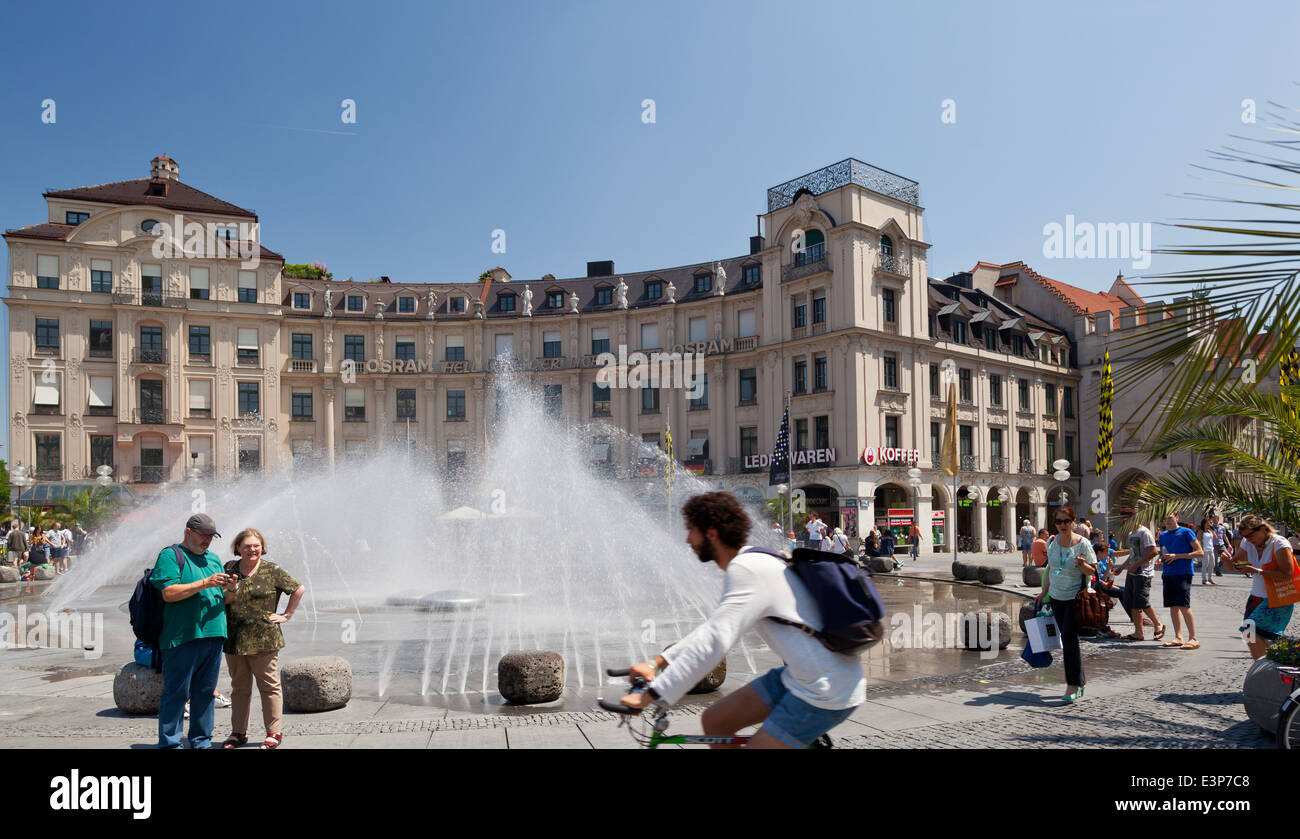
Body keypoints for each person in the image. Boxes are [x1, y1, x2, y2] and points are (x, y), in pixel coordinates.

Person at [617, 491, 865, 748]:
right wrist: (657, 663)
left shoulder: (747, 569)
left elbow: (714, 643)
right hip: (802, 675)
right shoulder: (754, 560)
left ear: (711, 533)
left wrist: (652, 695)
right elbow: (713, 629)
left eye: (691, 530)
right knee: (715, 721)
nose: (687, 539)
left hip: (825, 688)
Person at [151, 513, 236, 749]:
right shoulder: (171, 555)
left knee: (206, 692)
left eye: (211, 536)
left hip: (213, 634)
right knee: (177, 694)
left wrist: (232, 588)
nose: (208, 541)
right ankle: (170, 744)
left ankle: (201, 741)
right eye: (204, 536)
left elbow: (226, 600)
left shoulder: (214, 559)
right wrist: (205, 583)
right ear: (189, 532)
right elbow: (169, 593)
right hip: (182, 637)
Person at [220, 528, 305, 750]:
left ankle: (274, 732)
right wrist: (231, 589)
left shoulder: (271, 570)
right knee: (239, 687)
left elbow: (298, 588)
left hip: (264, 639)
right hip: (234, 639)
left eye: (256, 546)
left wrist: (287, 615)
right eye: (247, 546)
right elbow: (224, 601)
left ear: (262, 548)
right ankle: (238, 732)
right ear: (238, 548)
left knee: (269, 687)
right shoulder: (229, 568)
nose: (252, 549)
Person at [1034, 506, 1095, 703]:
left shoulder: (1083, 544)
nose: (1062, 525)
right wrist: (1044, 593)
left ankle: (1073, 685)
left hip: (1074, 598)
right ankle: (1080, 680)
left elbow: (1092, 571)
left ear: (1073, 522)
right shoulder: (1052, 541)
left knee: (1069, 638)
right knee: (1067, 639)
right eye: (1058, 521)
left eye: (1066, 521)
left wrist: (1082, 565)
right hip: (1056, 596)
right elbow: (1051, 568)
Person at [1230, 514, 1299, 660]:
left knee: (1250, 632)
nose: (1248, 540)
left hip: (1277, 599)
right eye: (1244, 536)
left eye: (1250, 535)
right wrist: (1228, 561)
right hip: (1256, 596)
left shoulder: (1279, 543)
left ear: (1262, 529)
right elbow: (1233, 565)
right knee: (1252, 637)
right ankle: (1268, 670)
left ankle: (1262, 669)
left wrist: (1258, 571)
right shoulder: (1248, 542)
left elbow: (1287, 574)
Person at [1156, 514, 1203, 650]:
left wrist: (1177, 556)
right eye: (1165, 519)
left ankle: (1193, 638)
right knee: (1173, 606)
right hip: (1168, 573)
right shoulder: (1163, 535)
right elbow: (1165, 552)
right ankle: (1178, 637)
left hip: (1183, 572)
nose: (1168, 521)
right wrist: (1161, 559)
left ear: (1176, 518)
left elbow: (1200, 552)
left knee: (1183, 605)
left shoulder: (1186, 532)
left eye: (1170, 518)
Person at [1112, 522, 1165, 642]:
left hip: (1143, 573)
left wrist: (1136, 565)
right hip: (1132, 572)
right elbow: (1132, 554)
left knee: (1141, 601)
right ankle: (1138, 632)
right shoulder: (1131, 533)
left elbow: (1153, 552)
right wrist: (1122, 567)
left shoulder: (1144, 532)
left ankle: (1158, 624)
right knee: (1130, 602)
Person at [1196, 517, 1219, 586]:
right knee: (1205, 564)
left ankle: (1210, 578)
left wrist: (1212, 530)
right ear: (1204, 524)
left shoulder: (1210, 531)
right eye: (1208, 523)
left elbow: (1215, 537)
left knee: (1212, 564)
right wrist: (1200, 549)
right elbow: (1198, 540)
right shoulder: (1201, 531)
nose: (1209, 524)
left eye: (1210, 523)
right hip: (1204, 550)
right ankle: (1204, 579)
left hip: (1211, 549)